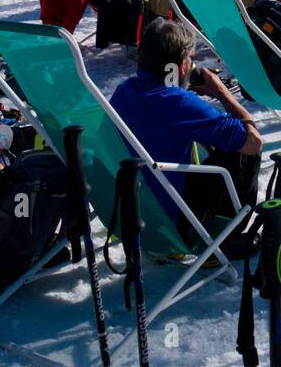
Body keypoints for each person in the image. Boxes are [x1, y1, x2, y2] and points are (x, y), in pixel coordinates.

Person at [110, 18, 261, 254]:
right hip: (173, 223)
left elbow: (163, 119)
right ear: (181, 65)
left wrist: (182, 90)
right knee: (243, 153)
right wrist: (222, 93)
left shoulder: (124, 91)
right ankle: (227, 240)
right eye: (190, 59)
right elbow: (253, 143)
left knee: (212, 141)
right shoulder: (178, 103)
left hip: (133, 214)